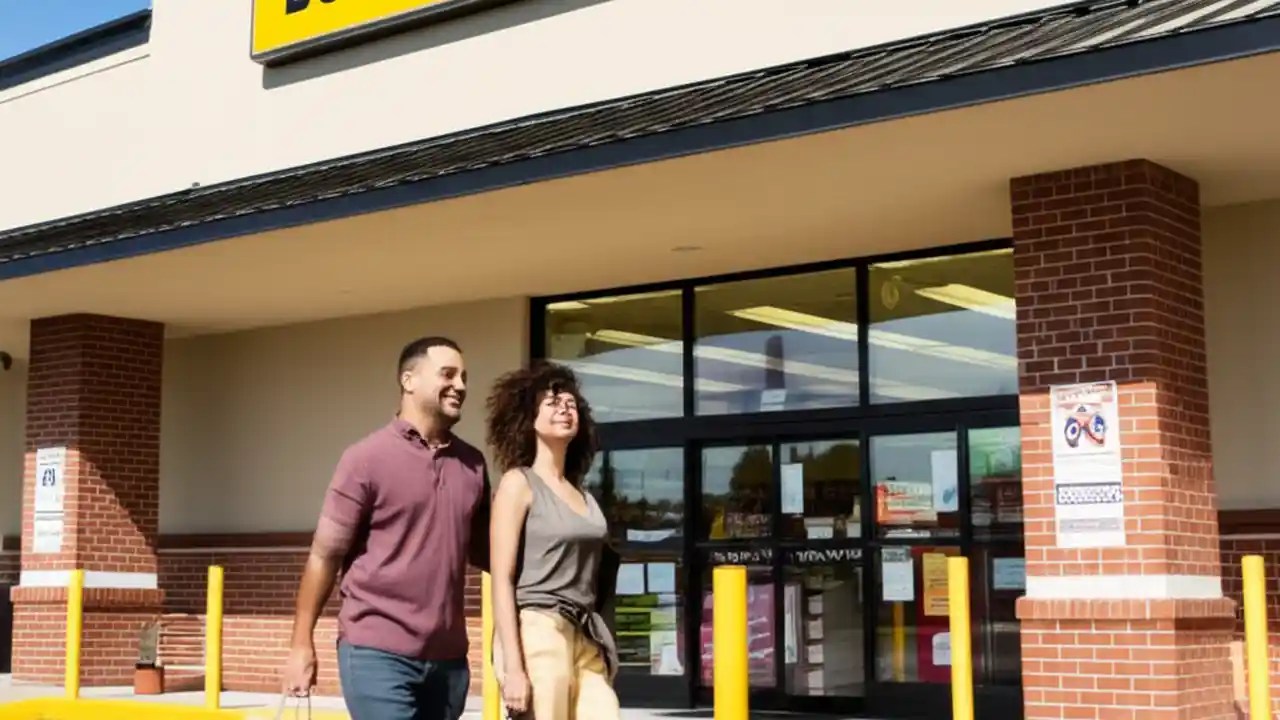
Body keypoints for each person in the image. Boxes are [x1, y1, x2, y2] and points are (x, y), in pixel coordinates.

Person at [282, 336, 491, 720]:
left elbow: (489, 552)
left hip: (448, 663)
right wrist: (301, 645)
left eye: (464, 377)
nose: (460, 385)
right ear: (408, 380)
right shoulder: (365, 459)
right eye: (448, 374)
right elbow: (325, 555)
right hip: (376, 653)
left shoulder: (473, 464)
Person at [485, 361, 621, 720]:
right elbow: (502, 578)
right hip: (538, 626)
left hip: (585, 631)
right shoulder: (519, 484)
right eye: (552, 401)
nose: (564, 407)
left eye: (571, 403)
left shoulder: (585, 497)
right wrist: (513, 667)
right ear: (528, 419)